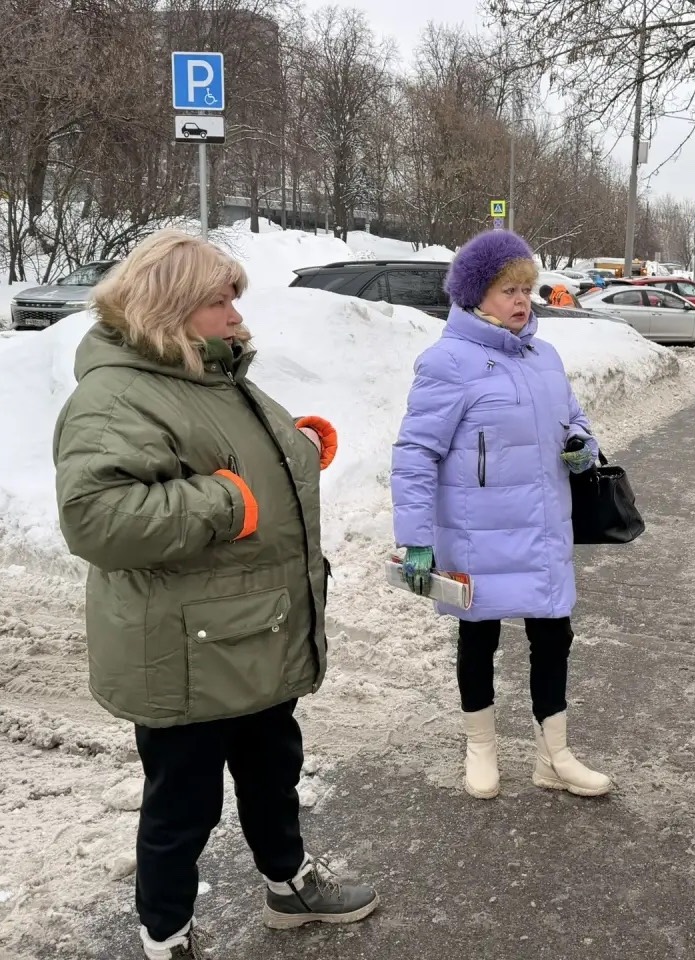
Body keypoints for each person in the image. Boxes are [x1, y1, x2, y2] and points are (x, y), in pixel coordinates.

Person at [51, 230, 378, 960]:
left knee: (274, 773)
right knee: (183, 807)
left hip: (252, 632)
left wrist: (291, 448)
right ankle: (164, 936)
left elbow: (216, 456)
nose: (237, 314)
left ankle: (288, 887)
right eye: (219, 299)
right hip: (186, 651)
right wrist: (230, 501)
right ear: (168, 307)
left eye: (235, 297)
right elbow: (97, 520)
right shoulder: (116, 395)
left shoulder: (211, 374)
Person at [391, 229, 611, 802]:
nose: (522, 300)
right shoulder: (448, 361)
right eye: (508, 289)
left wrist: (582, 444)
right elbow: (415, 454)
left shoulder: (545, 355)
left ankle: (553, 756)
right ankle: (481, 747)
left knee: (553, 636)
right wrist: (415, 541)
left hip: (542, 528)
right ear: (474, 294)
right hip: (476, 531)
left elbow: (574, 417)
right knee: (478, 636)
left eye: (527, 288)